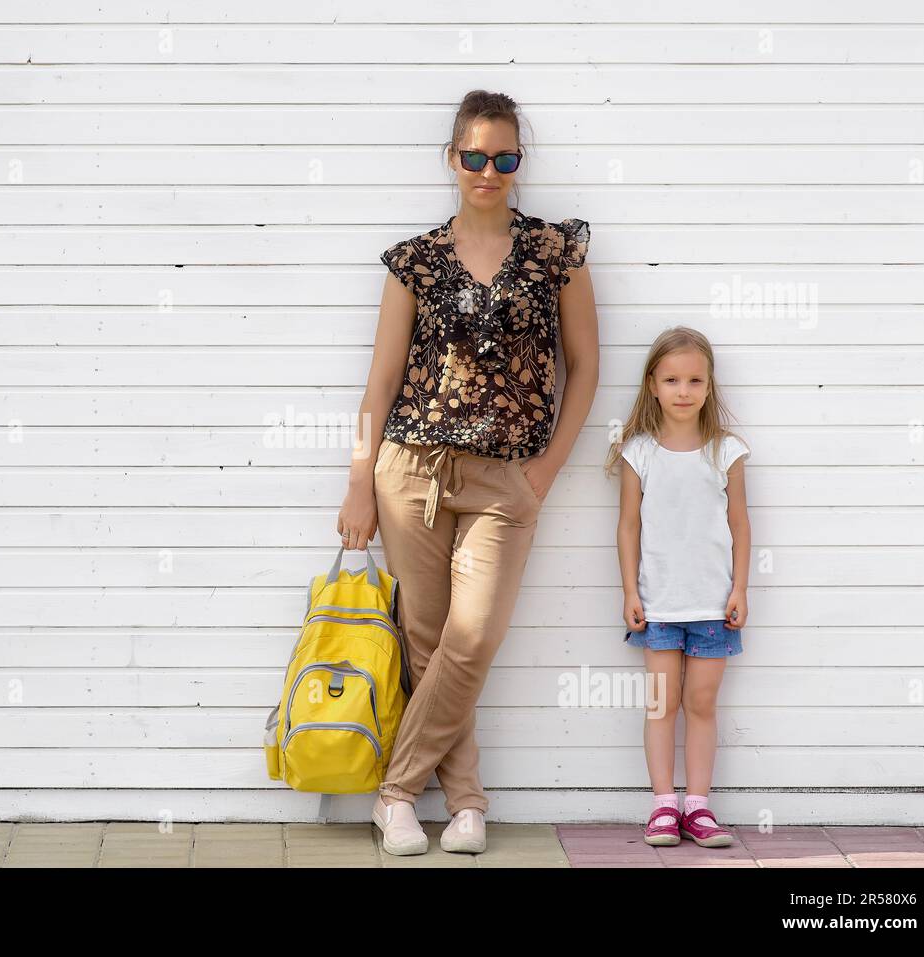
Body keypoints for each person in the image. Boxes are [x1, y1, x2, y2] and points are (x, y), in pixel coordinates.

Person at [337, 89, 599, 854]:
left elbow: (584, 366)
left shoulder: (555, 252)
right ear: (452, 159)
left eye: (505, 157)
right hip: (410, 468)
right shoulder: (415, 260)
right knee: (427, 640)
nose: (489, 170)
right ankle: (467, 804)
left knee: (472, 633)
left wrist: (545, 471)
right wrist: (360, 478)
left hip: (505, 477)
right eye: (475, 156)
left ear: (520, 163)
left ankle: (394, 793)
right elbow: (379, 383)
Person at [608, 326, 751, 849]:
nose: (684, 391)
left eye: (695, 380)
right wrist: (630, 592)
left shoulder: (726, 452)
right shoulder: (638, 453)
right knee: (661, 704)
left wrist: (740, 588)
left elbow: (740, 524)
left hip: (713, 604)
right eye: (672, 380)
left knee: (703, 702)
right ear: (652, 384)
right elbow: (628, 527)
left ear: (710, 386)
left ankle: (700, 806)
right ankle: (663, 806)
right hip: (660, 603)